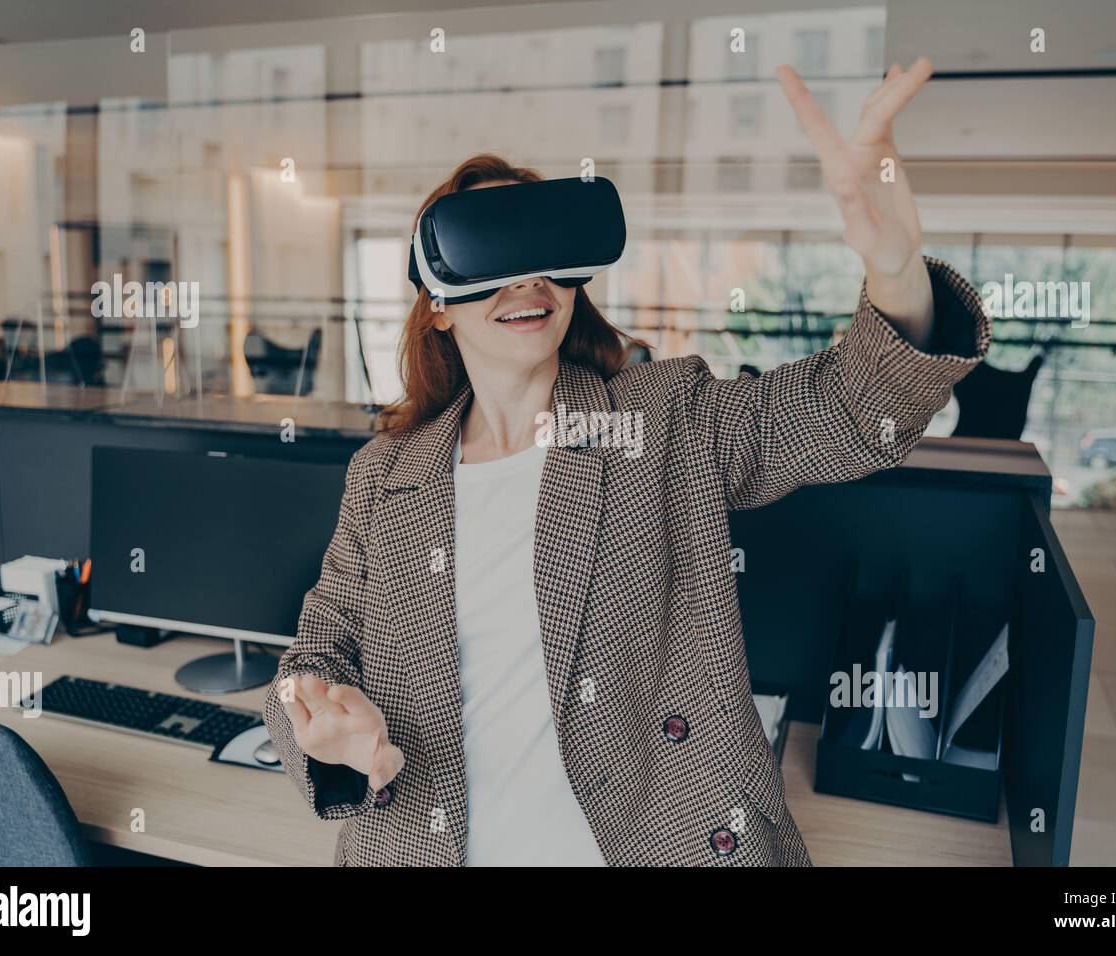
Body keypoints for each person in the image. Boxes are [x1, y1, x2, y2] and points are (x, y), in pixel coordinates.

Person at [263, 58, 991, 866]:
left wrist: (895, 272)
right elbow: (313, 657)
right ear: (436, 303)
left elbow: (854, 414)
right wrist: (322, 728)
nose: (526, 280)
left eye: (544, 251)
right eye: (488, 256)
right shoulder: (383, 477)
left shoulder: (663, 420)